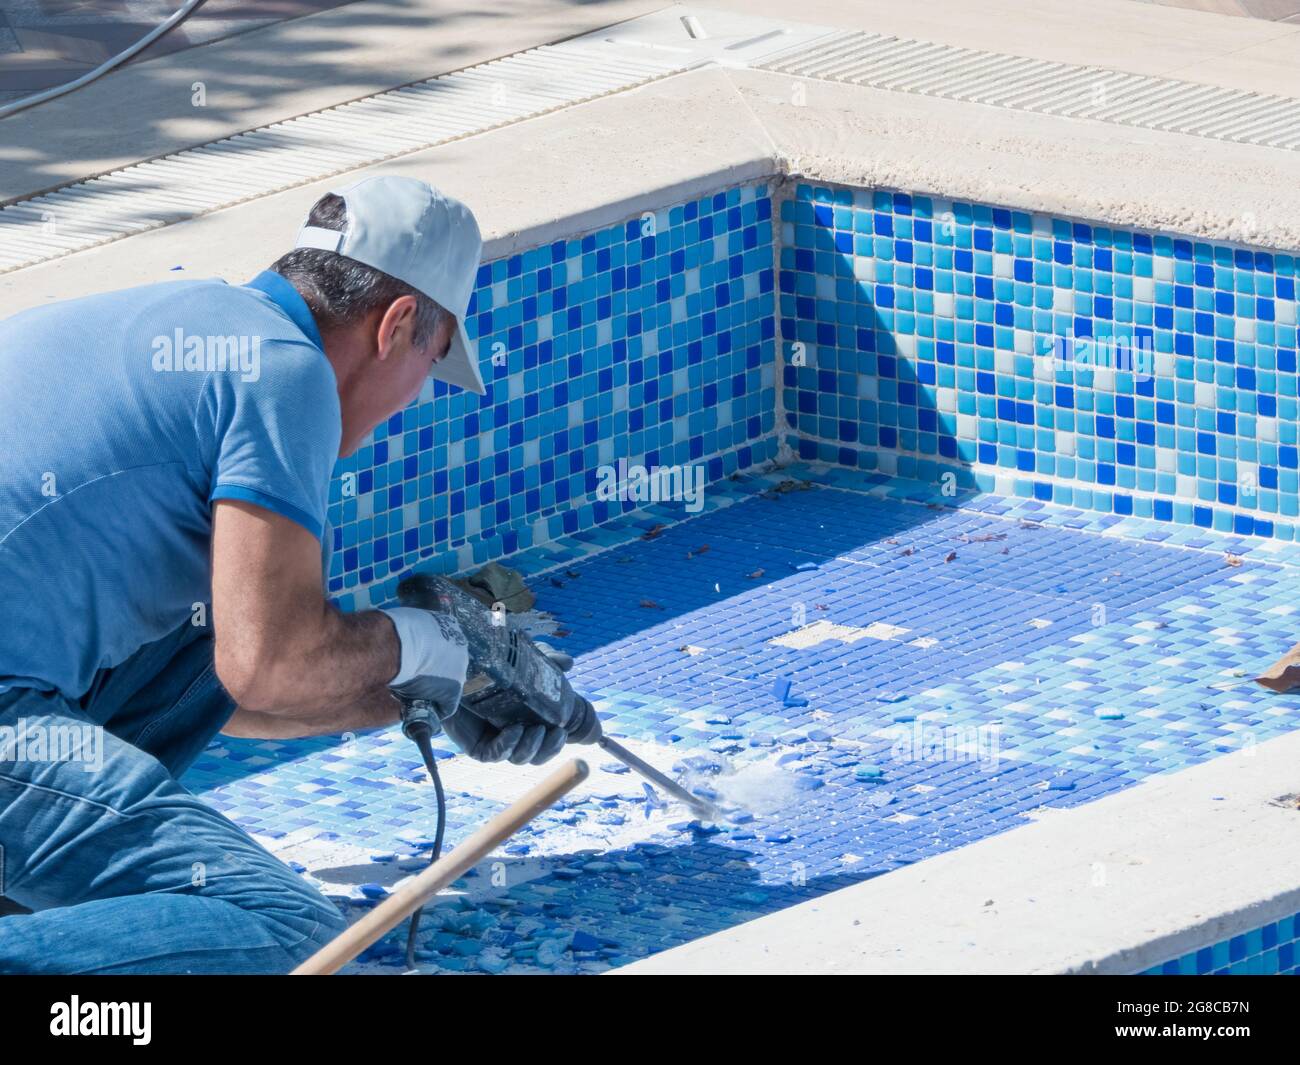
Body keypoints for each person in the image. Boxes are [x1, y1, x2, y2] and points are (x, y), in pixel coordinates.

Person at [0, 174, 568, 974]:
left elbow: (240, 669)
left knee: (211, 621)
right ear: (398, 322)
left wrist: (425, 691)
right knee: (293, 936)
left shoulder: (190, 323)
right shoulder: (285, 372)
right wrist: (440, 643)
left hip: (24, 685)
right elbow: (270, 666)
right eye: (431, 362)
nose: (412, 402)